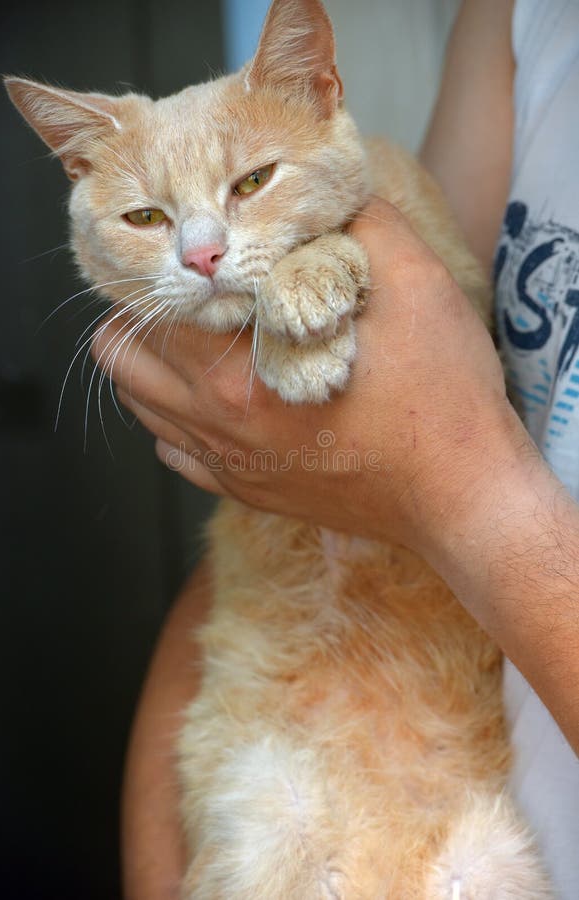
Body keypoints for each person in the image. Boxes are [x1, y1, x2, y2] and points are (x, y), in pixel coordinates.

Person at [94, 0, 579, 896]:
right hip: (305, 737)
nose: (200, 250)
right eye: (150, 216)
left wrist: (462, 494)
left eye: (247, 182)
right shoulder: (515, 15)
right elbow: (416, 270)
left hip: (497, 826)